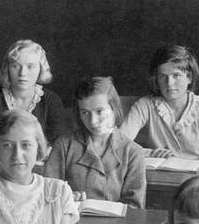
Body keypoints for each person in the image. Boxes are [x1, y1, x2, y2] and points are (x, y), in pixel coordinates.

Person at [46, 76, 146, 208]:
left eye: (99, 111)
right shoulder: (64, 146)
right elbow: (48, 192)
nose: (93, 121)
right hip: (71, 222)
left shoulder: (132, 152)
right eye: (85, 113)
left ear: (114, 109)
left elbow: (135, 206)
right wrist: (68, 198)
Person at [120, 44, 199, 161]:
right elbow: (119, 144)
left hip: (196, 178)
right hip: (157, 178)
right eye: (163, 76)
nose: (169, 83)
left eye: (176, 75)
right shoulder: (144, 106)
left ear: (189, 77)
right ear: (156, 79)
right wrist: (152, 153)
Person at [0, 39, 74, 150]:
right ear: (7, 68)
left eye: (30, 66)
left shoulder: (51, 100)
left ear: (41, 69)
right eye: (15, 66)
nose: (23, 73)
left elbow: (59, 143)